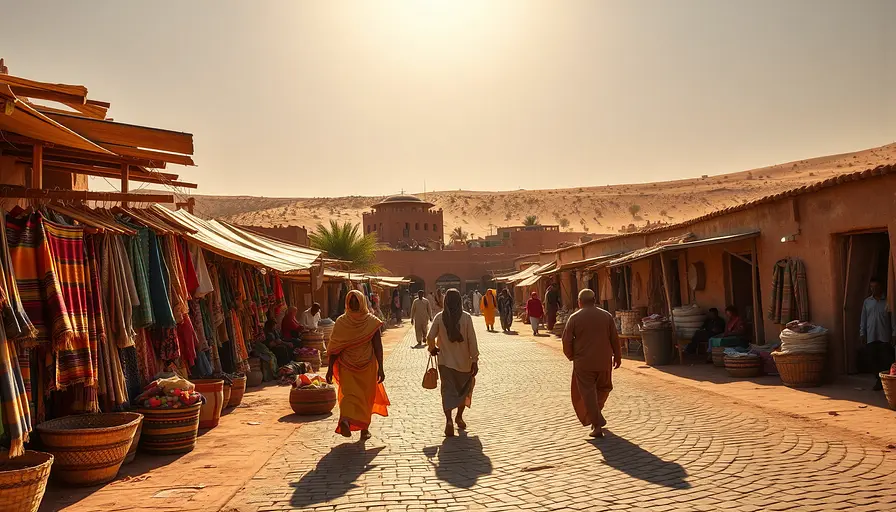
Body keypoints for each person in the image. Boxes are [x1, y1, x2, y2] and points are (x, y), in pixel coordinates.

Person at [326, 290, 390, 440]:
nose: (354, 304)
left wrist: (380, 367)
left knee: (365, 399)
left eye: (356, 301)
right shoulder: (342, 322)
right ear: (347, 303)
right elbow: (335, 348)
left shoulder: (371, 322)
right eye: (351, 301)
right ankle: (346, 421)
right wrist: (329, 368)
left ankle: (364, 429)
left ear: (362, 302)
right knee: (348, 395)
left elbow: (378, 346)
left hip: (368, 366)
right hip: (346, 365)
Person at [561, 289, 621, 438]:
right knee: (604, 388)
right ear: (594, 300)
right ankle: (597, 415)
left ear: (579, 302)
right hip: (604, 361)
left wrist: (571, 356)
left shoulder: (574, 318)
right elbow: (615, 338)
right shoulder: (606, 316)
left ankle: (596, 424)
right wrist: (618, 356)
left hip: (584, 362)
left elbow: (566, 340)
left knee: (587, 393)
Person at [427, 288, 479, 437]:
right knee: (463, 391)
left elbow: (430, 337)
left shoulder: (439, 317)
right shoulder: (466, 318)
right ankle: (459, 417)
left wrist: (433, 349)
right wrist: (474, 360)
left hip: (445, 363)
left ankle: (449, 420)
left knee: (447, 392)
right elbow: (472, 340)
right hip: (464, 363)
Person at [859, 277, 896, 390]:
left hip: (884, 335)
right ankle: (878, 380)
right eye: (872, 287)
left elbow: (893, 318)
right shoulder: (867, 302)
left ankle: (886, 382)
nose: (873, 290)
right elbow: (863, 319)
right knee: (873, 360)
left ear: (881, 287)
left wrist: (894, 333)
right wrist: (862, 333)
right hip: (871, 335)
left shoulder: (888, 301)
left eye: (876, 287)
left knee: (886, 360)